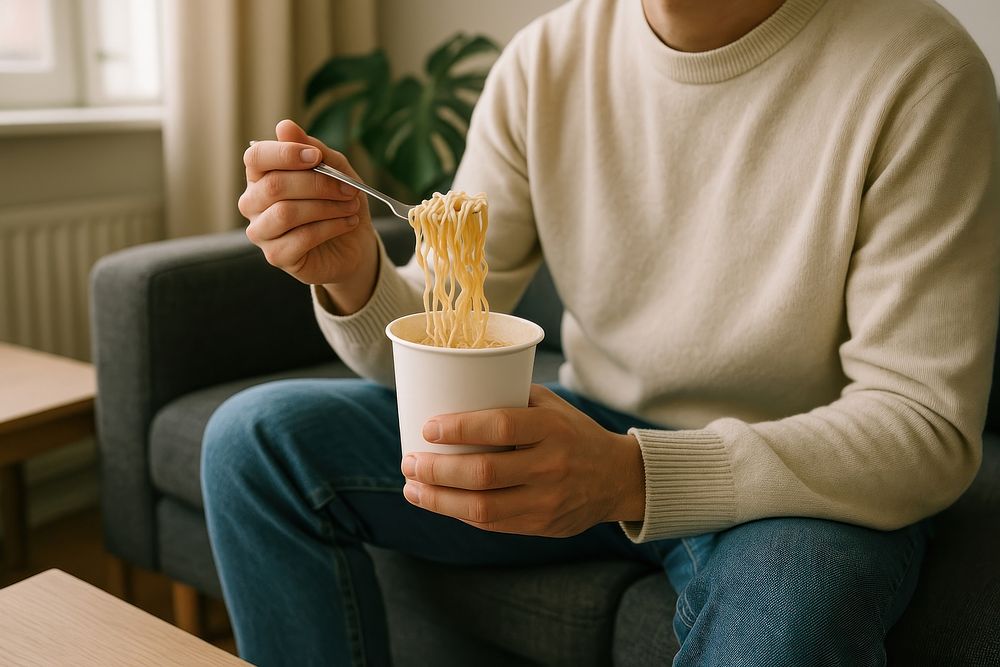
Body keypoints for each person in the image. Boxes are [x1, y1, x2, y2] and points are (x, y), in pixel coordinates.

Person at [203, 0, 1000, 664]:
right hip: (594, 423)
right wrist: (355, 273)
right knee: (254, 441)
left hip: (797, 479)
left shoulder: (919, 71)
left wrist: (628, 476)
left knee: (792, 601)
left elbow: (921, 425)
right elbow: (440, 335)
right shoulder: (544, 64)